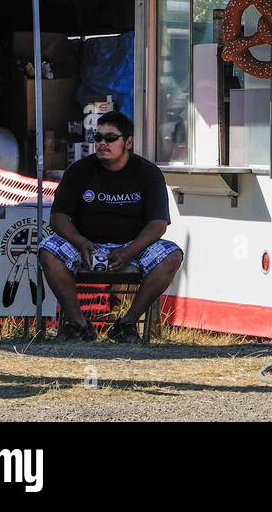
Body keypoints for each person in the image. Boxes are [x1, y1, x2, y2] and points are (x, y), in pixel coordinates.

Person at [38, 111, 183, 343]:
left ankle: (127, 323)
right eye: (98, 137)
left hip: (132, 247)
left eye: (110, 138)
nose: (102, 143)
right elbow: (58, 218)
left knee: (172, 255)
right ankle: (79, 323)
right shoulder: (79, 171)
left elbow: (158, 224)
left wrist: (130, 251)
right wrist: (81, 242)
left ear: (128, 142)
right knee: (48, 249)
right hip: (85, 244)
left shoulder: (148, 173)